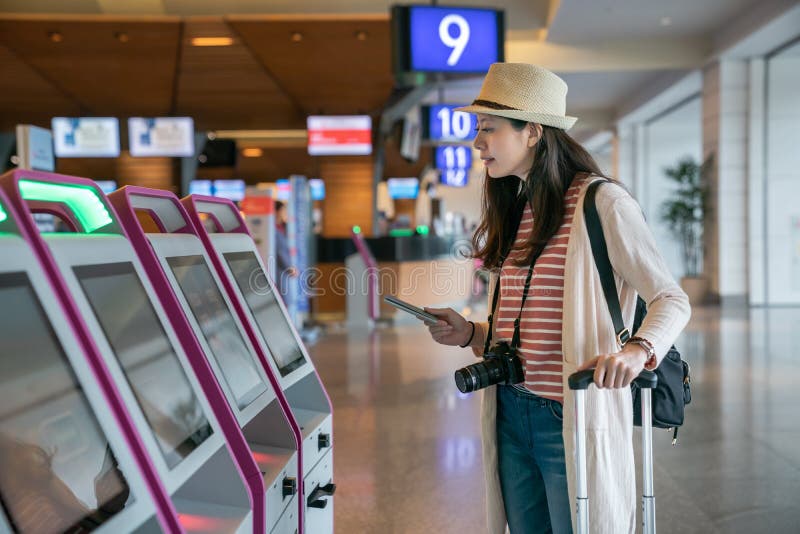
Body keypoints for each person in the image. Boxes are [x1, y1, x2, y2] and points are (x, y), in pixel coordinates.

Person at [423, 63, 690, 533]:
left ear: (532, 132)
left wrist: (637, 351)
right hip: (510, 409)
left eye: (488, 129)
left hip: (567, 413)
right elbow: (530, 322)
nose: (477, 142)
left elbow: (671, 298)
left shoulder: (601, 203)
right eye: (476, 130)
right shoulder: (516, 205)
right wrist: (471, 333)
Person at [273, 200, 298, 301]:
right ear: (276, 211)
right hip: (279, 271)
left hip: (284, 271)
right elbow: (280, 252)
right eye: (283, 210)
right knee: (282, 299)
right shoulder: (273, 230)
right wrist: (289, 267)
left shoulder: (283, 227)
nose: (285, 213)